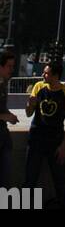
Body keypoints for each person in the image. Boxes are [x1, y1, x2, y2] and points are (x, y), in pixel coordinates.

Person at [25, 61, 65, 209]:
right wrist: (30, 104)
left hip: (55, 142)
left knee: (60, 181)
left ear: (55, 76)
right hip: (36, 140)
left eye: (46, 73)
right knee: (30, 180)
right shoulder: (38, 87)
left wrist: (63, 146)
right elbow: (28, 114)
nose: (43, 75)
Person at [0, 48, 18, 188]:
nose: (11, 70)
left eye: (13, 66)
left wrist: (9, 115)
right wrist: (6, 116)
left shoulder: (4, 84)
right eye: (9, 66)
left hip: (3, 138)